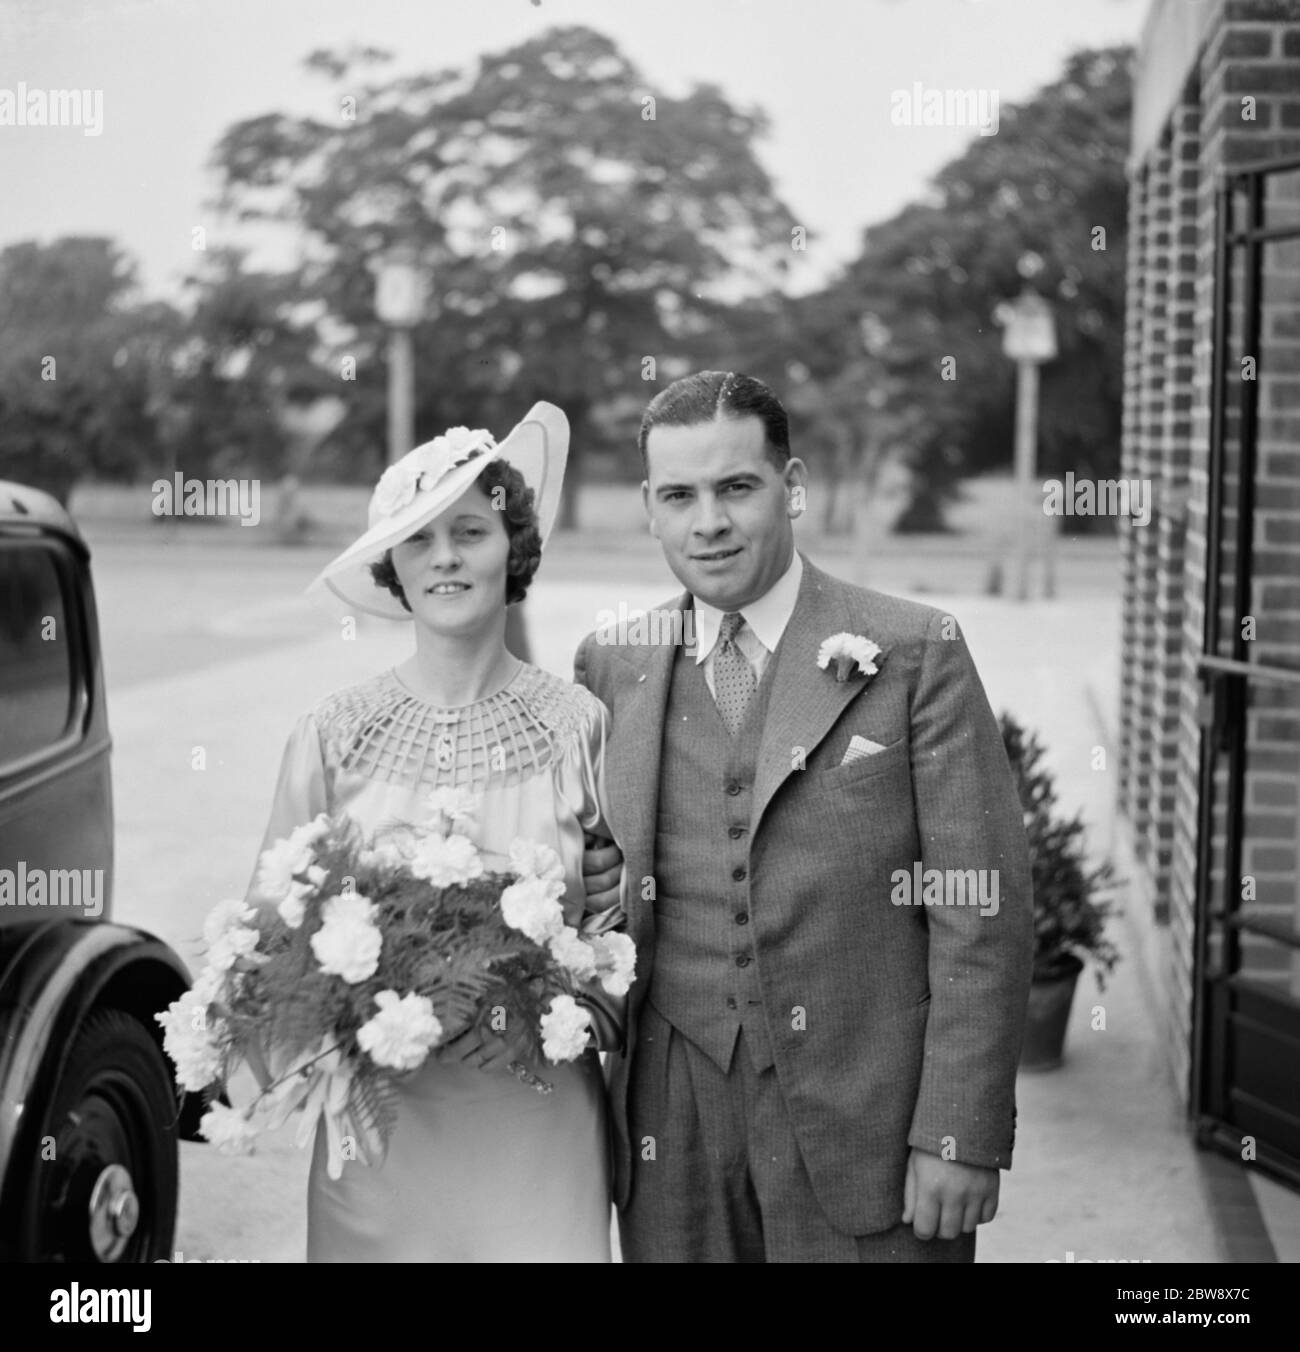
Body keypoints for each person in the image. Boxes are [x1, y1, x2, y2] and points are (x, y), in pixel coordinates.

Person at [575, 371, 1034, 1263]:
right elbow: (595, 876)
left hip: (868, 1115)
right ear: (650, 507)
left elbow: (980, 907)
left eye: (736, 487)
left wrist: (959, 1132)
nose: (708, 521)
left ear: (792, 488)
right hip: (671, 1117)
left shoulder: (913, 651)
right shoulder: (610, 663)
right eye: (680, 495)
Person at [246, 404, 623, 1262]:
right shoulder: (331, 736)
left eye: (471, 531)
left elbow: (626, 933)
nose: (446, 557)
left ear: (512, 547)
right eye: (420, 540)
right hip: (380, 1130)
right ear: (395, 567)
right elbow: (271, 932)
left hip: (538, 1120)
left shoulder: (584, 729)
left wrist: (589, 983)